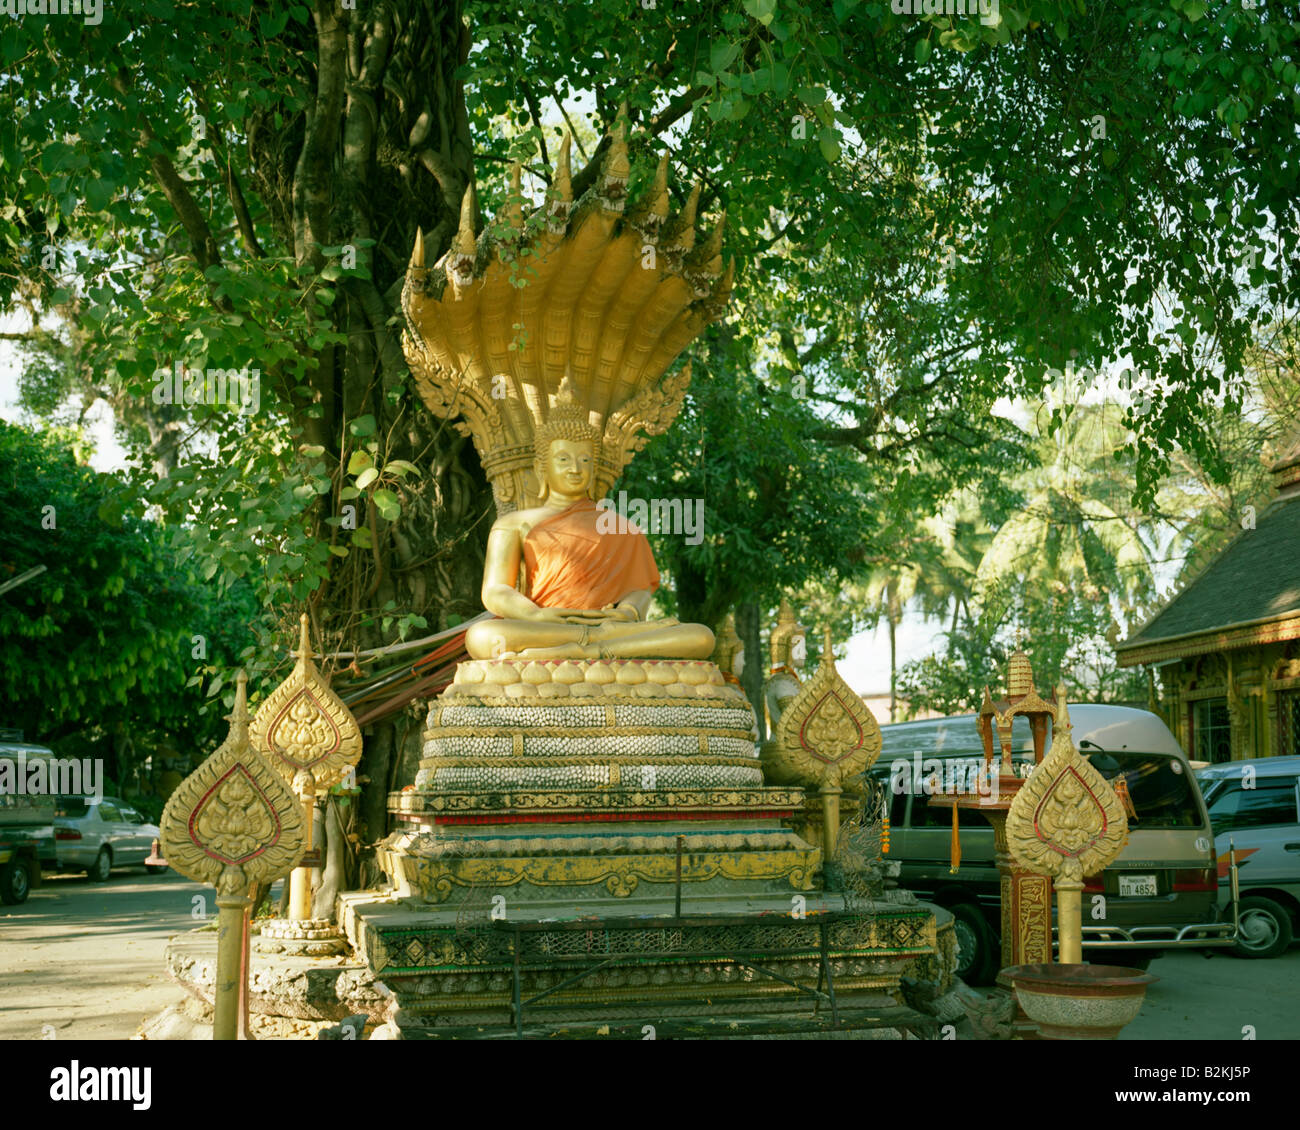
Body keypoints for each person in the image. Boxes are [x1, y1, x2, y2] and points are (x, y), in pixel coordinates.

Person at [464, 396, 713, 661]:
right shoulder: (512, 524)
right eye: (563, 459)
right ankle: (600, 647)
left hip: (610, 626)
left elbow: (639, 590)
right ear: (541, 468)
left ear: (594, 470)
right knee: (482, 637)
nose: (575, 468)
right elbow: (495, 590)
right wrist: (535, 614)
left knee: (701, 637)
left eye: (584, 460)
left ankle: (589, 647)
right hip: (546, 626)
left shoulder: (619, 526)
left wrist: (628, 613)